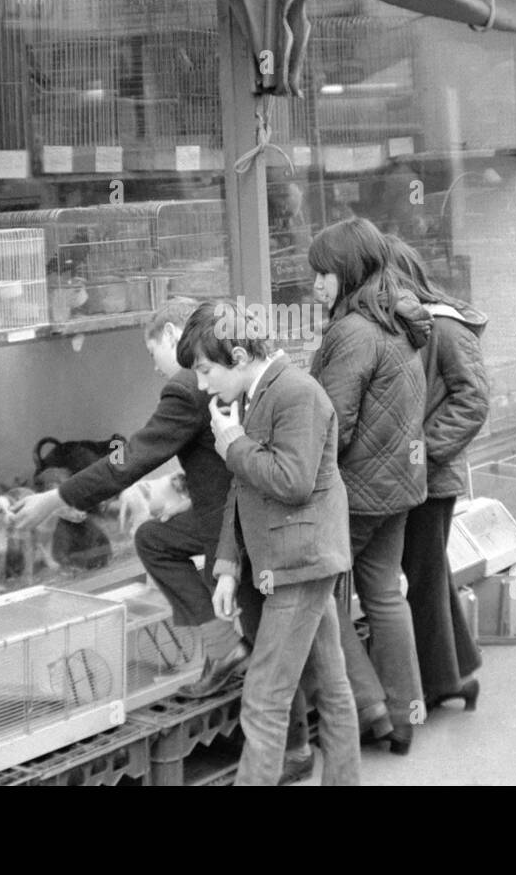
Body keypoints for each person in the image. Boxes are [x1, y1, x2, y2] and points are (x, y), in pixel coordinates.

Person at [10, 298, 251, 697]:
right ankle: (224, 647)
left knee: (277, 643)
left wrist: (55, 498)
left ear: (173, 335)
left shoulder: (188, 386)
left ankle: (235, 662)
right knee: (154, 538)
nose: (154, 366)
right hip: (236, 511)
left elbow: (129, 459)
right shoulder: (227, 372)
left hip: (228, 523)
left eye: (152, 350)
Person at [179, 299, 361, 786]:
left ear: (239, 357)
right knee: (332, 685)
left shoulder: (296, 392)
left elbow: (294, 482)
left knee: (262, 699)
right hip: (295, 559)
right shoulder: (262, 392)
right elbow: (243, 489)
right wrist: (227, 566)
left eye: (206, 371)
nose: (202, 385)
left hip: (299, 562)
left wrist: (233, 444)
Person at [308, 216, 431, 755]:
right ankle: (405, 716)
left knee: (320, 600)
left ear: (349, 271)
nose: (315, 284)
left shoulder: (351, 332)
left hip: (355, 493)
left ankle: (368, 706)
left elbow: (332, 425)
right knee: (384, 595)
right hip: (399, 486)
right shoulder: (397, 321)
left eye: (324, 273)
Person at [386, 236, 489, 712]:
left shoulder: (444, 328)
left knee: (421, 577)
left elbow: (473, 401)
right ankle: (455, 674)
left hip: (432, 478)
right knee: (429, 574)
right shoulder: (420, 326)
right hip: (423, 476)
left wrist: (422, 453)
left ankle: (440, 680)